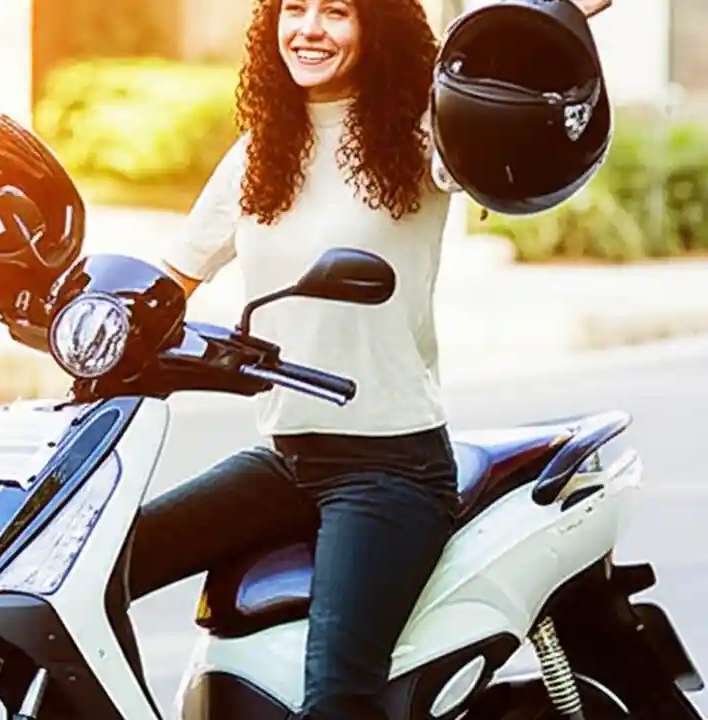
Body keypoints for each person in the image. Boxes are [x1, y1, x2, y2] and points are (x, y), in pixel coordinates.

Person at [125, 0, 612, 717]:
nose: (310, 29)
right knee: (109, 561)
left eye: (337, 12)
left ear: (374, 27)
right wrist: (84, 316)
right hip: (286, 460)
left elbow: (510, 101)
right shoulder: (262, 148)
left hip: (390, 470)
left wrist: (540, 15)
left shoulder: (423, 131)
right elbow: (168, 281)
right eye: (295, 8)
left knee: (337, 697)